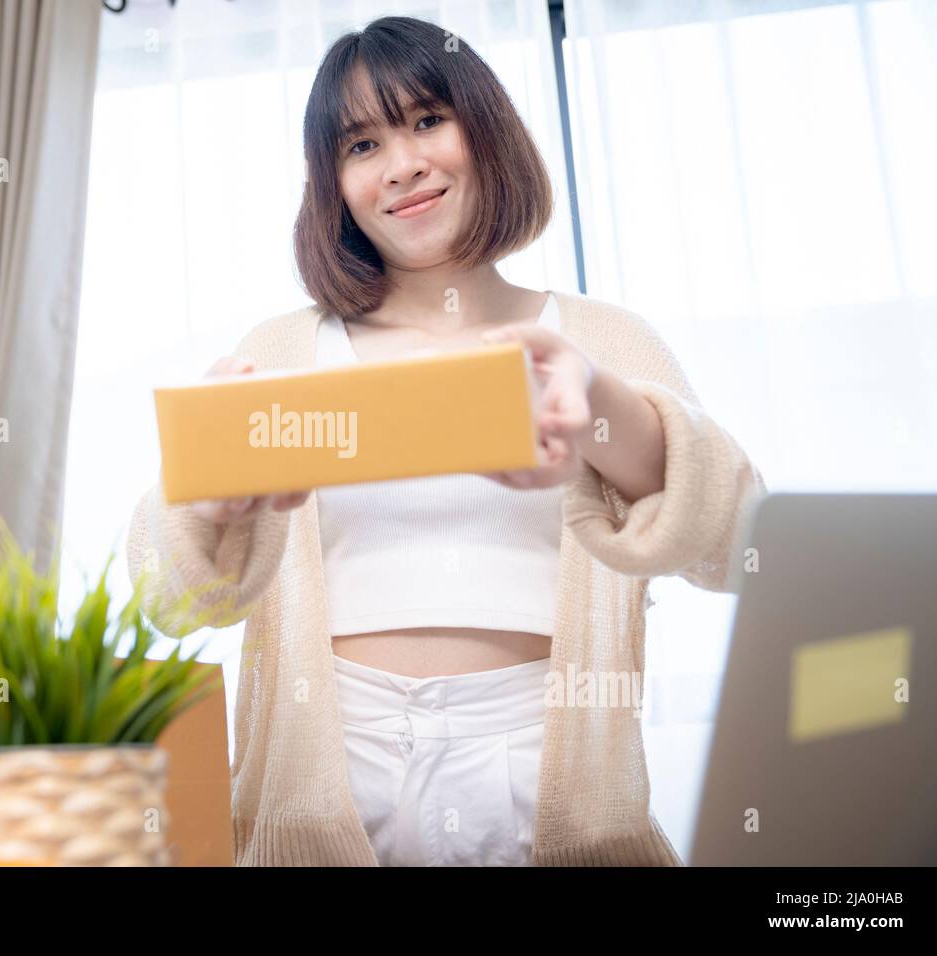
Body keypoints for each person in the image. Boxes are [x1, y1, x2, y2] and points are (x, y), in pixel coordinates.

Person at [127, 15, 766, 866]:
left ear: (486, 130)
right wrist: (208, 499)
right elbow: (169, 602)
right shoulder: (278, 355)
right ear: (335, 184)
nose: (402, 166)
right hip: (326, 780)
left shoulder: (601, 340)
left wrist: (609, 415)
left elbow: (743, 549)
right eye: (361, 145)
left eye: (428, 120)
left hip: (548, 769)